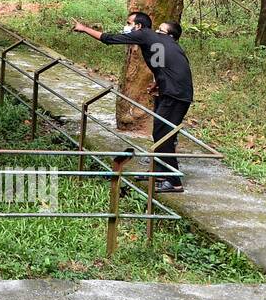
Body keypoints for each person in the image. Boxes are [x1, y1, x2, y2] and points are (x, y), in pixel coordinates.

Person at [71, 12, 193, 193]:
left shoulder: (146, 35)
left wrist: (84, 29)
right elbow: (161, 67)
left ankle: (174, 181)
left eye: (129, 23)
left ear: (138, 26)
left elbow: (109, 39)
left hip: (175, 95)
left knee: (164, 134)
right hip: (170, 91)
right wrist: (157, 84)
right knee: (159, 133)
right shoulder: (158, 43)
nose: (127, 27)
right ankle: (158, 172)